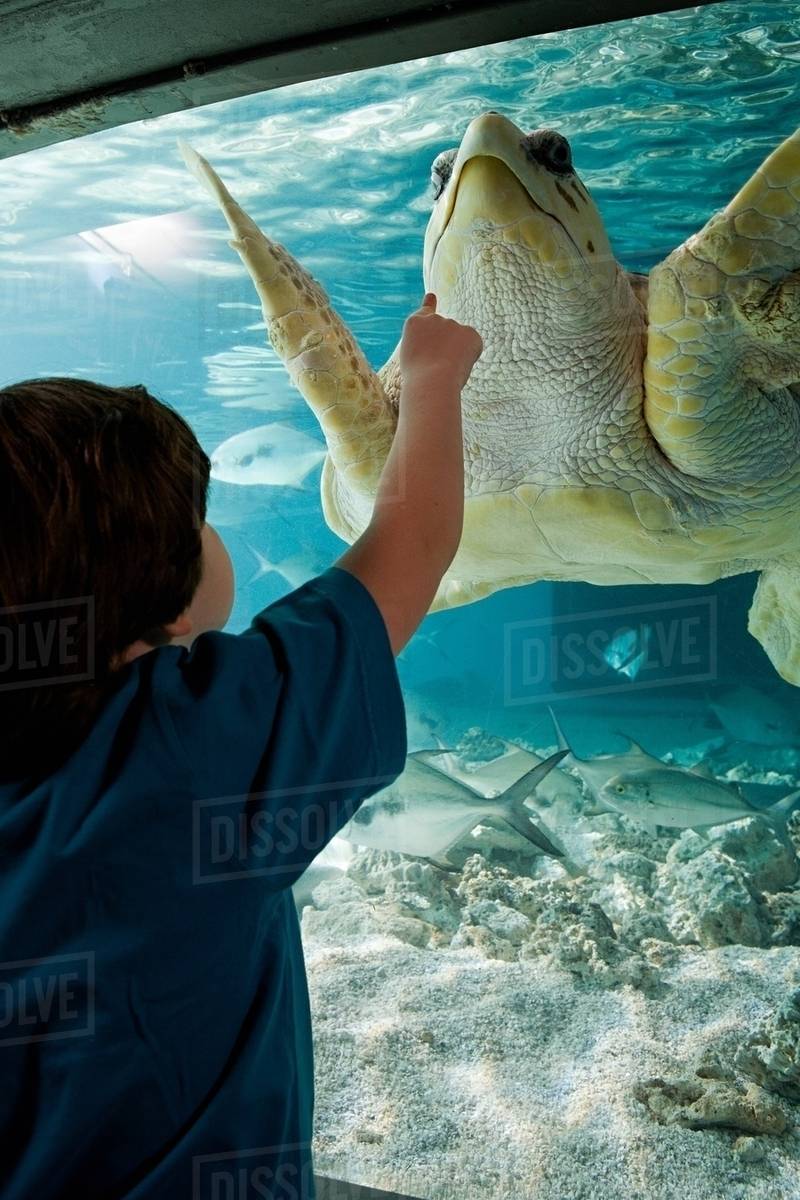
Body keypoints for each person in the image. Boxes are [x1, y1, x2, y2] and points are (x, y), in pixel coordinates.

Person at [0, 293, 482, 1199]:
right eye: (200, 520)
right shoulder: (198, 748)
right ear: (170, 600)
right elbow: (413, 541)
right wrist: (433, 376)